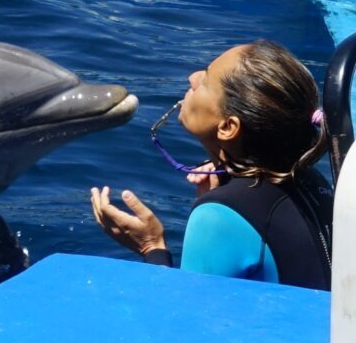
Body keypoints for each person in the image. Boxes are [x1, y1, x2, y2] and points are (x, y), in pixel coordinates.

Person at [91, 39, 332, 291]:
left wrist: (152, 248)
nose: (192, 77)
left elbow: (187, 320)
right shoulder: (310, 179)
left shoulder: (218, 216)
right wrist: (227, 176)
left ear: (228, 127)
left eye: (205, 81)